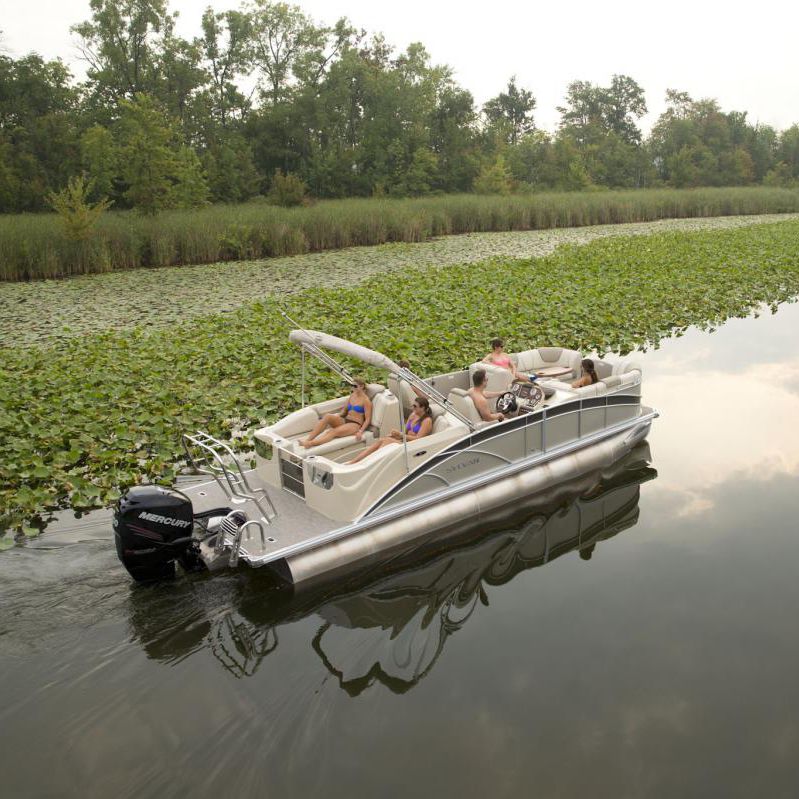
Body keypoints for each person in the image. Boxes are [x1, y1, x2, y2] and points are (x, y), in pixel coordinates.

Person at [347, 397, 434, 464]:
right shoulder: (413, 415)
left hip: (414, 447)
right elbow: (404, 432)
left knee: (387, 441)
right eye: (413, 405)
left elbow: (419, 439)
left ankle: (370, 463)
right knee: (382, 440)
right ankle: (354, 461)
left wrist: (400, 435)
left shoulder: (427, 421)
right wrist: (395, 435)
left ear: (423, 408)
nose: (412, 407)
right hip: (405, 442)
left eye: (415, 406)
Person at [300, 377, 372, 449]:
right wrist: (338, 416)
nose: (352, 388)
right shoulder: (352, 395)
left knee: (332, 432)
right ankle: (308, 439)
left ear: (362, 386)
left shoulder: (366, 401)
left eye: (355, 386)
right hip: (345, 420)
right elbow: (345, 410)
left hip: (355, 424)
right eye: (351, 385)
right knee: (328, 416)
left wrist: (360, 431)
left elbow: (368, 419)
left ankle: (310, 443)